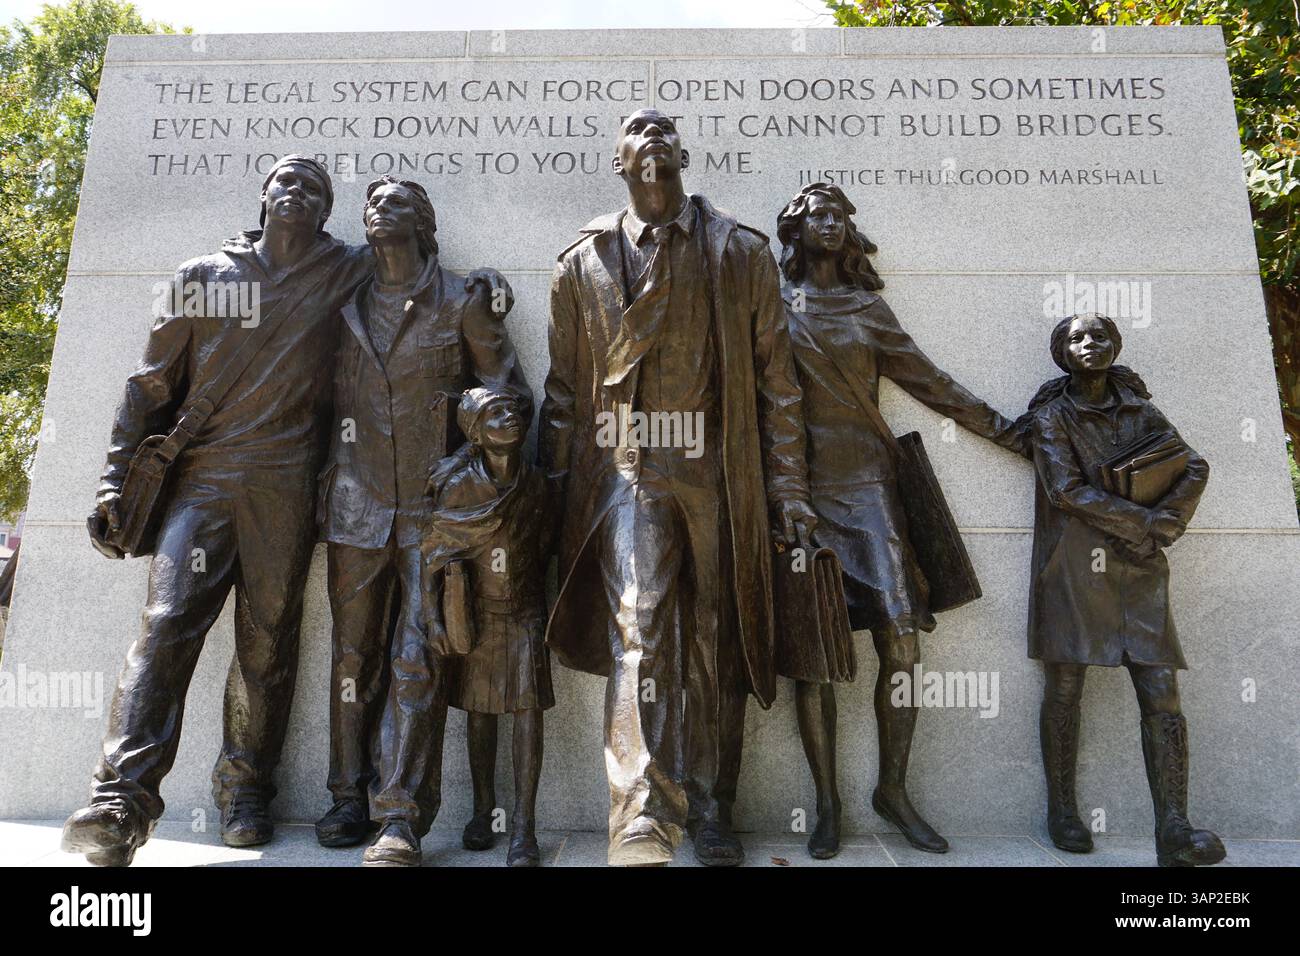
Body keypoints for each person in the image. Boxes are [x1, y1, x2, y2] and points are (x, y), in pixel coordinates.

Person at [62, 156, 371, 866]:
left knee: (267, 640)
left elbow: (408, 274)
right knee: (166, 626)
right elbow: (148, 389)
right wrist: (113, 481)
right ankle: (118, 801)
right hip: (201, 482)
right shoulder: (203, 276)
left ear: (326, 212)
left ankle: (245, 788)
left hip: (286, 485)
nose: (296, 192)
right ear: (263, 197)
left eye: (314, 189)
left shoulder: (343, 272)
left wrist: (473, 290)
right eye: (286, 181)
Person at [541, 108, 816, 866]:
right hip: (628, 472)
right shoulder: (583, 262)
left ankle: (715, 802)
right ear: (619, 160)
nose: (653, 135)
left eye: (666, 130)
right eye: (638, 130)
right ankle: (642, 814)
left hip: (720, 473)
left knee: (715, 643)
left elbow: (777, 387)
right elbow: (564, 393)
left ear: (686, 155)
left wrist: (789, 490)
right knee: (641, 623)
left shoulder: (739, 250)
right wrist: (544, 504)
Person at [776, 183, 1022, 857]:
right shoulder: (770, 310)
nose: (830, 224)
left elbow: (931, 382)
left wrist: (1012, 433)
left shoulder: (867, 307)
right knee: (815, 655)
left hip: (872, 488)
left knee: (903, 641)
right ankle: (826, 804)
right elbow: (761, 413)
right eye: (817, 215)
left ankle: (894, 790)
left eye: (838, 216)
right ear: (793, 233)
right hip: (801, 493)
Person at [315, 175, 522, 863]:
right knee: (352, 657)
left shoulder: (462, 298)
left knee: (414, 661)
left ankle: (400, 818)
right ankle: (348, 795)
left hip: (433, 518)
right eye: (373, 202)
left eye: (398, 202)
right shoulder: (339, 295)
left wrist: (465, 464)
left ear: (423, 221)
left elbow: (507, 398)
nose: (381, 210)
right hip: (354, 505)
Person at [1021, 313, 1224, 867]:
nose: (1091, 344)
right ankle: (1062, 809)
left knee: (1161, 691)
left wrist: (1169, 524)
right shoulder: (1052, 416)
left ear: (1116, 344)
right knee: (1065, 684)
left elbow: (1195, 466)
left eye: (1101, 335)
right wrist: (1143, 523)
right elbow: (1064, 490)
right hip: (1072, 565)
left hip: (1139, 569)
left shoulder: (1142, 409)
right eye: (1078, 338)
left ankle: (1174, 829)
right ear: (1063, 352)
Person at [423, 386, 553, 867]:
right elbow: (433, 555)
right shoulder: (461, 488)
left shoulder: (537, 484)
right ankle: (482, 810)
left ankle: (524, 826)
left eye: (513, 411)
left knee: (527, 711)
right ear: (475, 434)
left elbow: (543, 549)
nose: (510, 419)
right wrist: (436, 619)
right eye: (495, 414)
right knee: (479, 713)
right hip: (476, 615)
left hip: (524, 613)